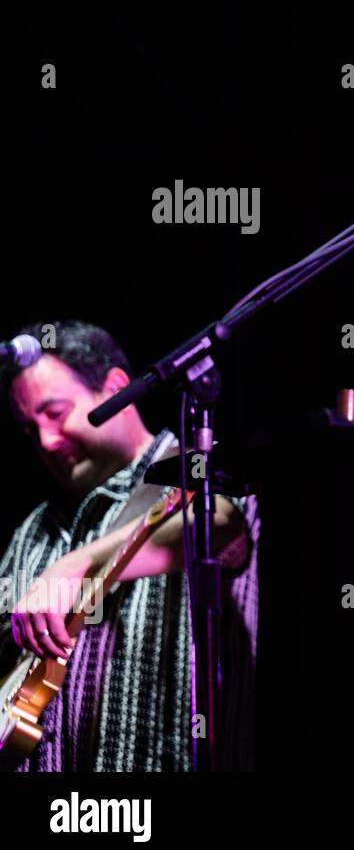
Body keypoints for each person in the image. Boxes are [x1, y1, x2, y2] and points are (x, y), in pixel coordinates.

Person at [0, 320, 258, 771]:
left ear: (116, 387)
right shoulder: (31, 530)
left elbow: (221, 525)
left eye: (56, 412)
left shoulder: (201, 476)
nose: (45, 440)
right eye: (29, 428)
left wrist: (76, 564)